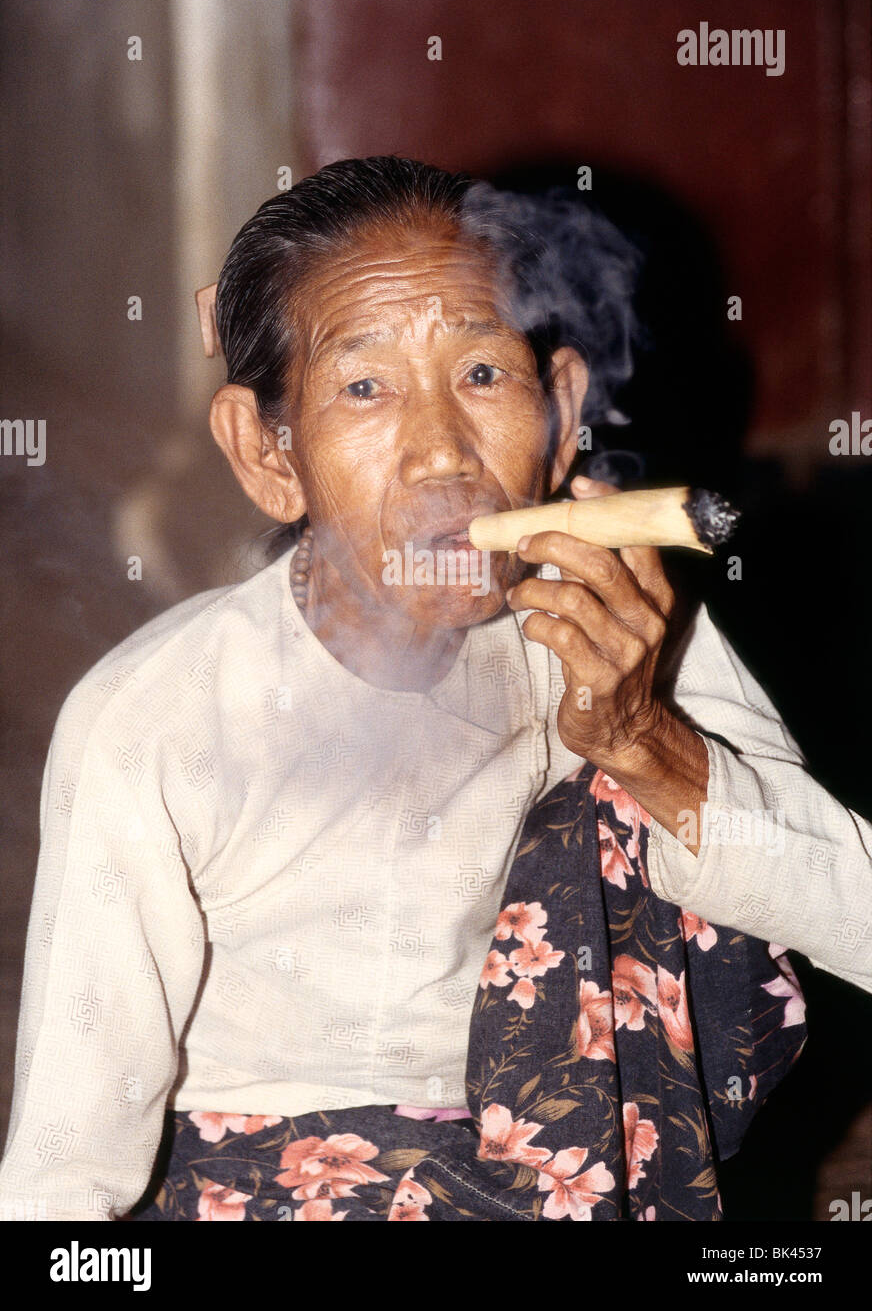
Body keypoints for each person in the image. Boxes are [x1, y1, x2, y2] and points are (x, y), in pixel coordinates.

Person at [0, 156, 862, 1222]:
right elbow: (62, 1168)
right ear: (268, 454)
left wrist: (644, 740)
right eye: (363, 387)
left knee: (640, 806)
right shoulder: (155, 721)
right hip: (288, 1199)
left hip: (598, 1183)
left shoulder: (614, 630)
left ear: (558, 414)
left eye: (482, 375)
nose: (440, 454)